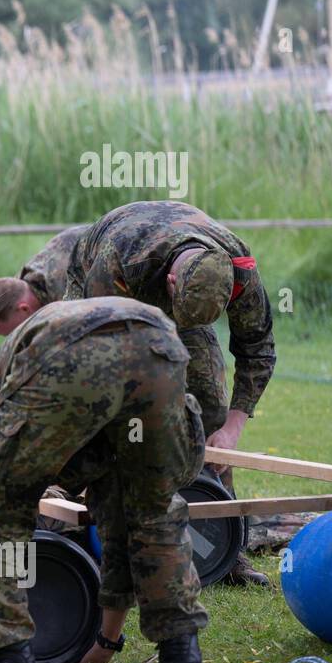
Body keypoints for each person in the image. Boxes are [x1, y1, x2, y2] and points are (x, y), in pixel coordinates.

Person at [0, 297, 209, 663]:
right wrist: (106, 641)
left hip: (72, 350)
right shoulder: (74, 417)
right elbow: (120, 526)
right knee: (152, 510)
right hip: (159, 348)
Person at [65, 201, 283, 582]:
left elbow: (258, 348)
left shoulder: (239, 270)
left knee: (211, 406)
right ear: (171, 285)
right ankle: (72, 523)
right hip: (105, 296)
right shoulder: (120, 259)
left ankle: (224, 551)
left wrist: (231, 428)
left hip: (180, 286)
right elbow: (97, 351)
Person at [0, 225, 88, 336]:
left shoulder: (67, 294)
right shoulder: (22, 286)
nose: (15, 339)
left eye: (14, 333)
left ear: (24, 309)